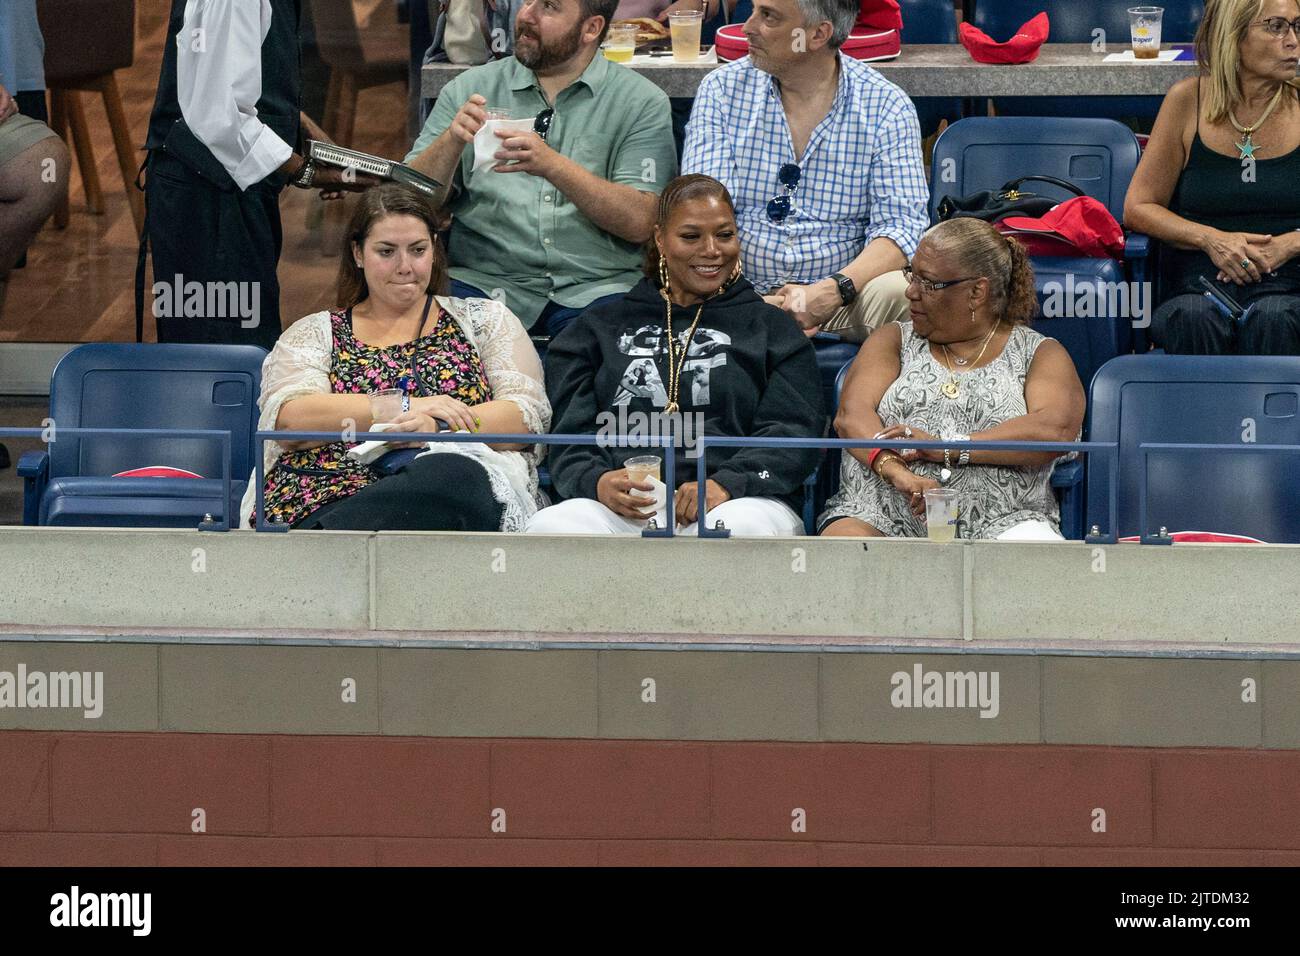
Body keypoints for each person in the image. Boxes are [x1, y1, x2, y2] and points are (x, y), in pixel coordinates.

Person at [239, 184, 550, 531]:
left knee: (452, 473)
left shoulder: (485, 320)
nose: (405, 266)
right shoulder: (314, 332)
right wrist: (405, 408)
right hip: (325, 489)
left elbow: (524, 418)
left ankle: (319, 555)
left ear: (434, 248)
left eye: (417, 250)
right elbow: (291, 422)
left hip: (447, 483)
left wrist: (438, 427)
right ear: (358, 253)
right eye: (386, 252)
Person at [526, 174, 825, 535]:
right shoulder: (596, 327)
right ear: (660, 239)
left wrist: (728, 484)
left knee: (735, 529)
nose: (712, 250)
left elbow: (793, 436)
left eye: (725, 234)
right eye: (691, 236)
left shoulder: (772, 330)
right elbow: (571, 434)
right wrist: (597, 481)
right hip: (625, 505)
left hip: (740, 500)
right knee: (553, 528)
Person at [405, 0, 679, 336]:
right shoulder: (468, 90)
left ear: (591, 28)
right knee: (441, 362)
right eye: (527, 1)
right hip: (483, 284)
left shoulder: (641, 102)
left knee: (612, 369)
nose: (526, 15)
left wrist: (553, 166)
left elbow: (641, 221)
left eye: (548, 7)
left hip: (598, 289)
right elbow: (406, 204)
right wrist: (449, 142)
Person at [819, 218, 1085, 541]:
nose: (910, 292)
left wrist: (948, 447)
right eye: (911, 275)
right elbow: (851, 417)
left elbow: (1054, 430)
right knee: (840, 549)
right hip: (879, 514)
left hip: (1004, 519)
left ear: (977, 292)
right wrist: (895, 470)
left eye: (928, 283)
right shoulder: (891, 340)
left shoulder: (1040, 354)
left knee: (1035, 554)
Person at [681, 0, 928, 343]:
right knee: (682, 278)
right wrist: (749, 300)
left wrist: (834, 289)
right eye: (753, 11)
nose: (747, 27)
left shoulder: (886, 105)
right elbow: (701, 212)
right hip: (732, 291)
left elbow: (901, 227)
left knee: (905, 294)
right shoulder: (721, 91)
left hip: (845, 297)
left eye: (768, 16)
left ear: (818, 34)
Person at [140, 0, 378, 349]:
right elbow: (219, 117)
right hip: (207, 201)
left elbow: (236, 76)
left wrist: (302, 128)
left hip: (226, 191)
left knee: (244, 346)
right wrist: (307, 171)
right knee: (224, 357)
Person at [1125, 0, 1300, 354]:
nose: (1293, 40)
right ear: (1232, 37)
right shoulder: (1186, 101)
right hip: (1198, 285)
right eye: (1276, 26)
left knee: (1274, 318)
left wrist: (1291, 243)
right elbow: (1138, 207)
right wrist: (1211, 240)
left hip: (1290, 285)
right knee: (1193, 318)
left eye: (1297, 26)